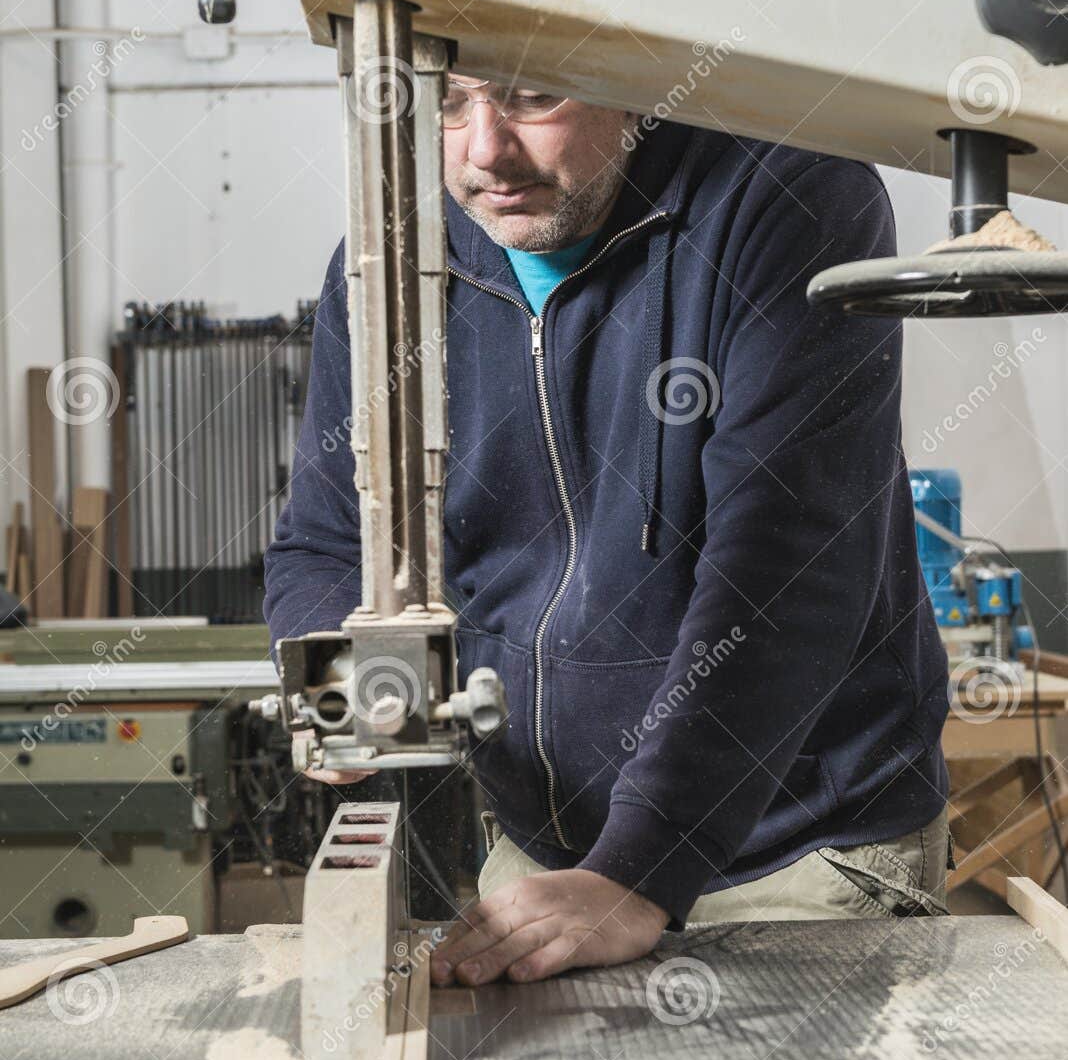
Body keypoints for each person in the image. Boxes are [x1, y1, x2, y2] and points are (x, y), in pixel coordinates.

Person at [263, 75, 950, 990]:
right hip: (548, 861)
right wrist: (351, 701)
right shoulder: (391, 267)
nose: (483, 151)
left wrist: (637, 871)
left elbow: (786, 571)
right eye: (449, 104)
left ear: (635, 80)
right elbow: (327, 541)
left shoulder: (789, 198)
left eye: (531, 95)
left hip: (795, 852)